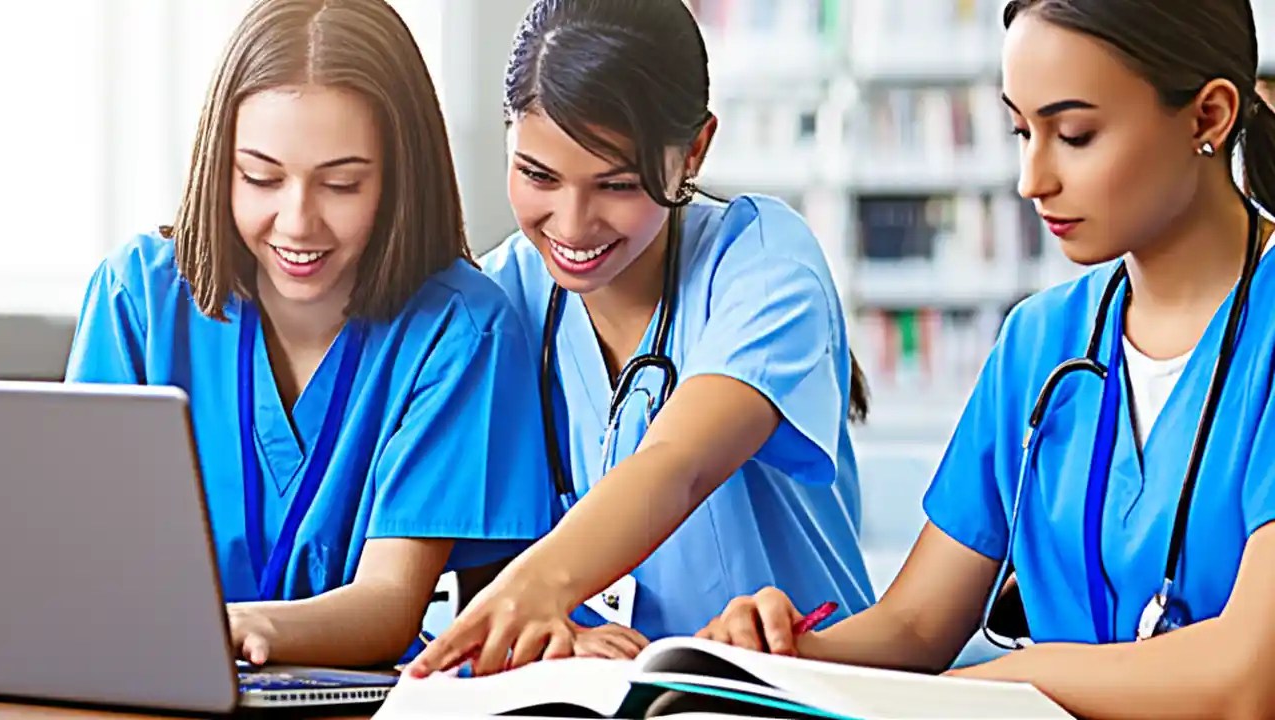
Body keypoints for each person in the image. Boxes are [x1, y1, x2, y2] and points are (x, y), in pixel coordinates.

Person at [698, 1, 1275, 718]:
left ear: (1208, 117)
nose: (1032, 179)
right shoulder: (1040, 343)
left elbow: (1246, 678)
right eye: (1020, 131)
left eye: (1074, 134)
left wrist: (1006, 681)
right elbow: (914, 627)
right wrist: (773, 656)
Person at [64, 0, 551, 668]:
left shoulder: (461, 331)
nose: (297, 223)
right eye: (260, 177)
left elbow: (388, 602)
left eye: (342, 184)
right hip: (140, 683)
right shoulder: (138, 299)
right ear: (219, 164)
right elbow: (83, 558)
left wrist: (222, 630)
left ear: (399, 177)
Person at [407, 0, 876, 677]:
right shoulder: (498, 301)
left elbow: (678, 464)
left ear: (694, 151)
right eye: (538, 175)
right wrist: (561, 631)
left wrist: (542, 586)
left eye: (617, 184)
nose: (571, 223)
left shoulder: (764, 260)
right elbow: (488, 554)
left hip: (798, 686)